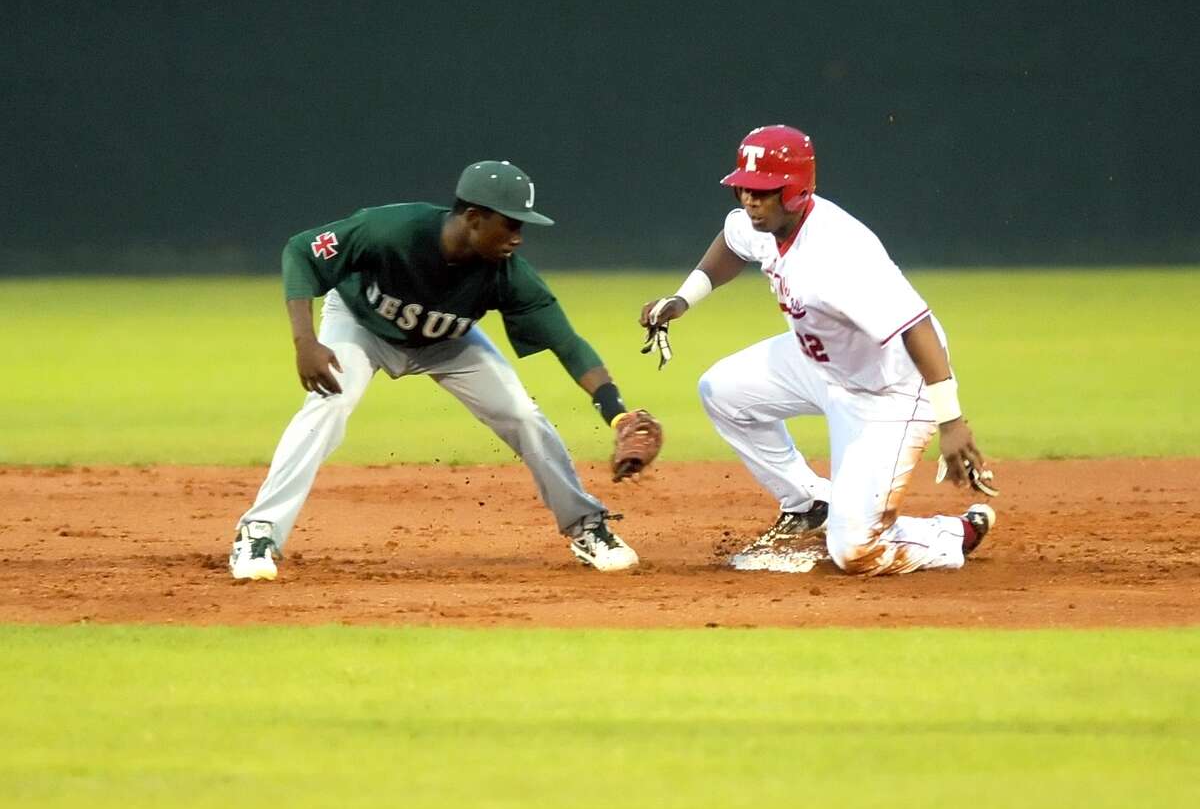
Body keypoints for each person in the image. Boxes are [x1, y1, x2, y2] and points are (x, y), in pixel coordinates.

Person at [230, 159, 654, 580]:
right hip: (361, 324)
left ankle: (586, 525)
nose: (518, 237)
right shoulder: (391, 229)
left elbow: (568, 345)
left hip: (446, 342)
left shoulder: (509, 276)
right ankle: (259, 531)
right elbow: (301, 250)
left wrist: (617, 414)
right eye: (510, 224)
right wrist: (305, 340)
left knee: (522, 415)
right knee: (328, 405)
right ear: (473, 218)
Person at [640, 125, 997, 577]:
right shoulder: (763, 223)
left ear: (795, 190)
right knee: (721, 391)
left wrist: (951, 420)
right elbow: (732, 244)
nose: (750, 200)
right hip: (821, 362)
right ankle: (809, 503)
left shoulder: (839, 254)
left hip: (888, 391)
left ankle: (950, 534)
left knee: (855, 552)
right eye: (744, 189)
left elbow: (917, 327)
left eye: (763, 191)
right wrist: (682, 299)